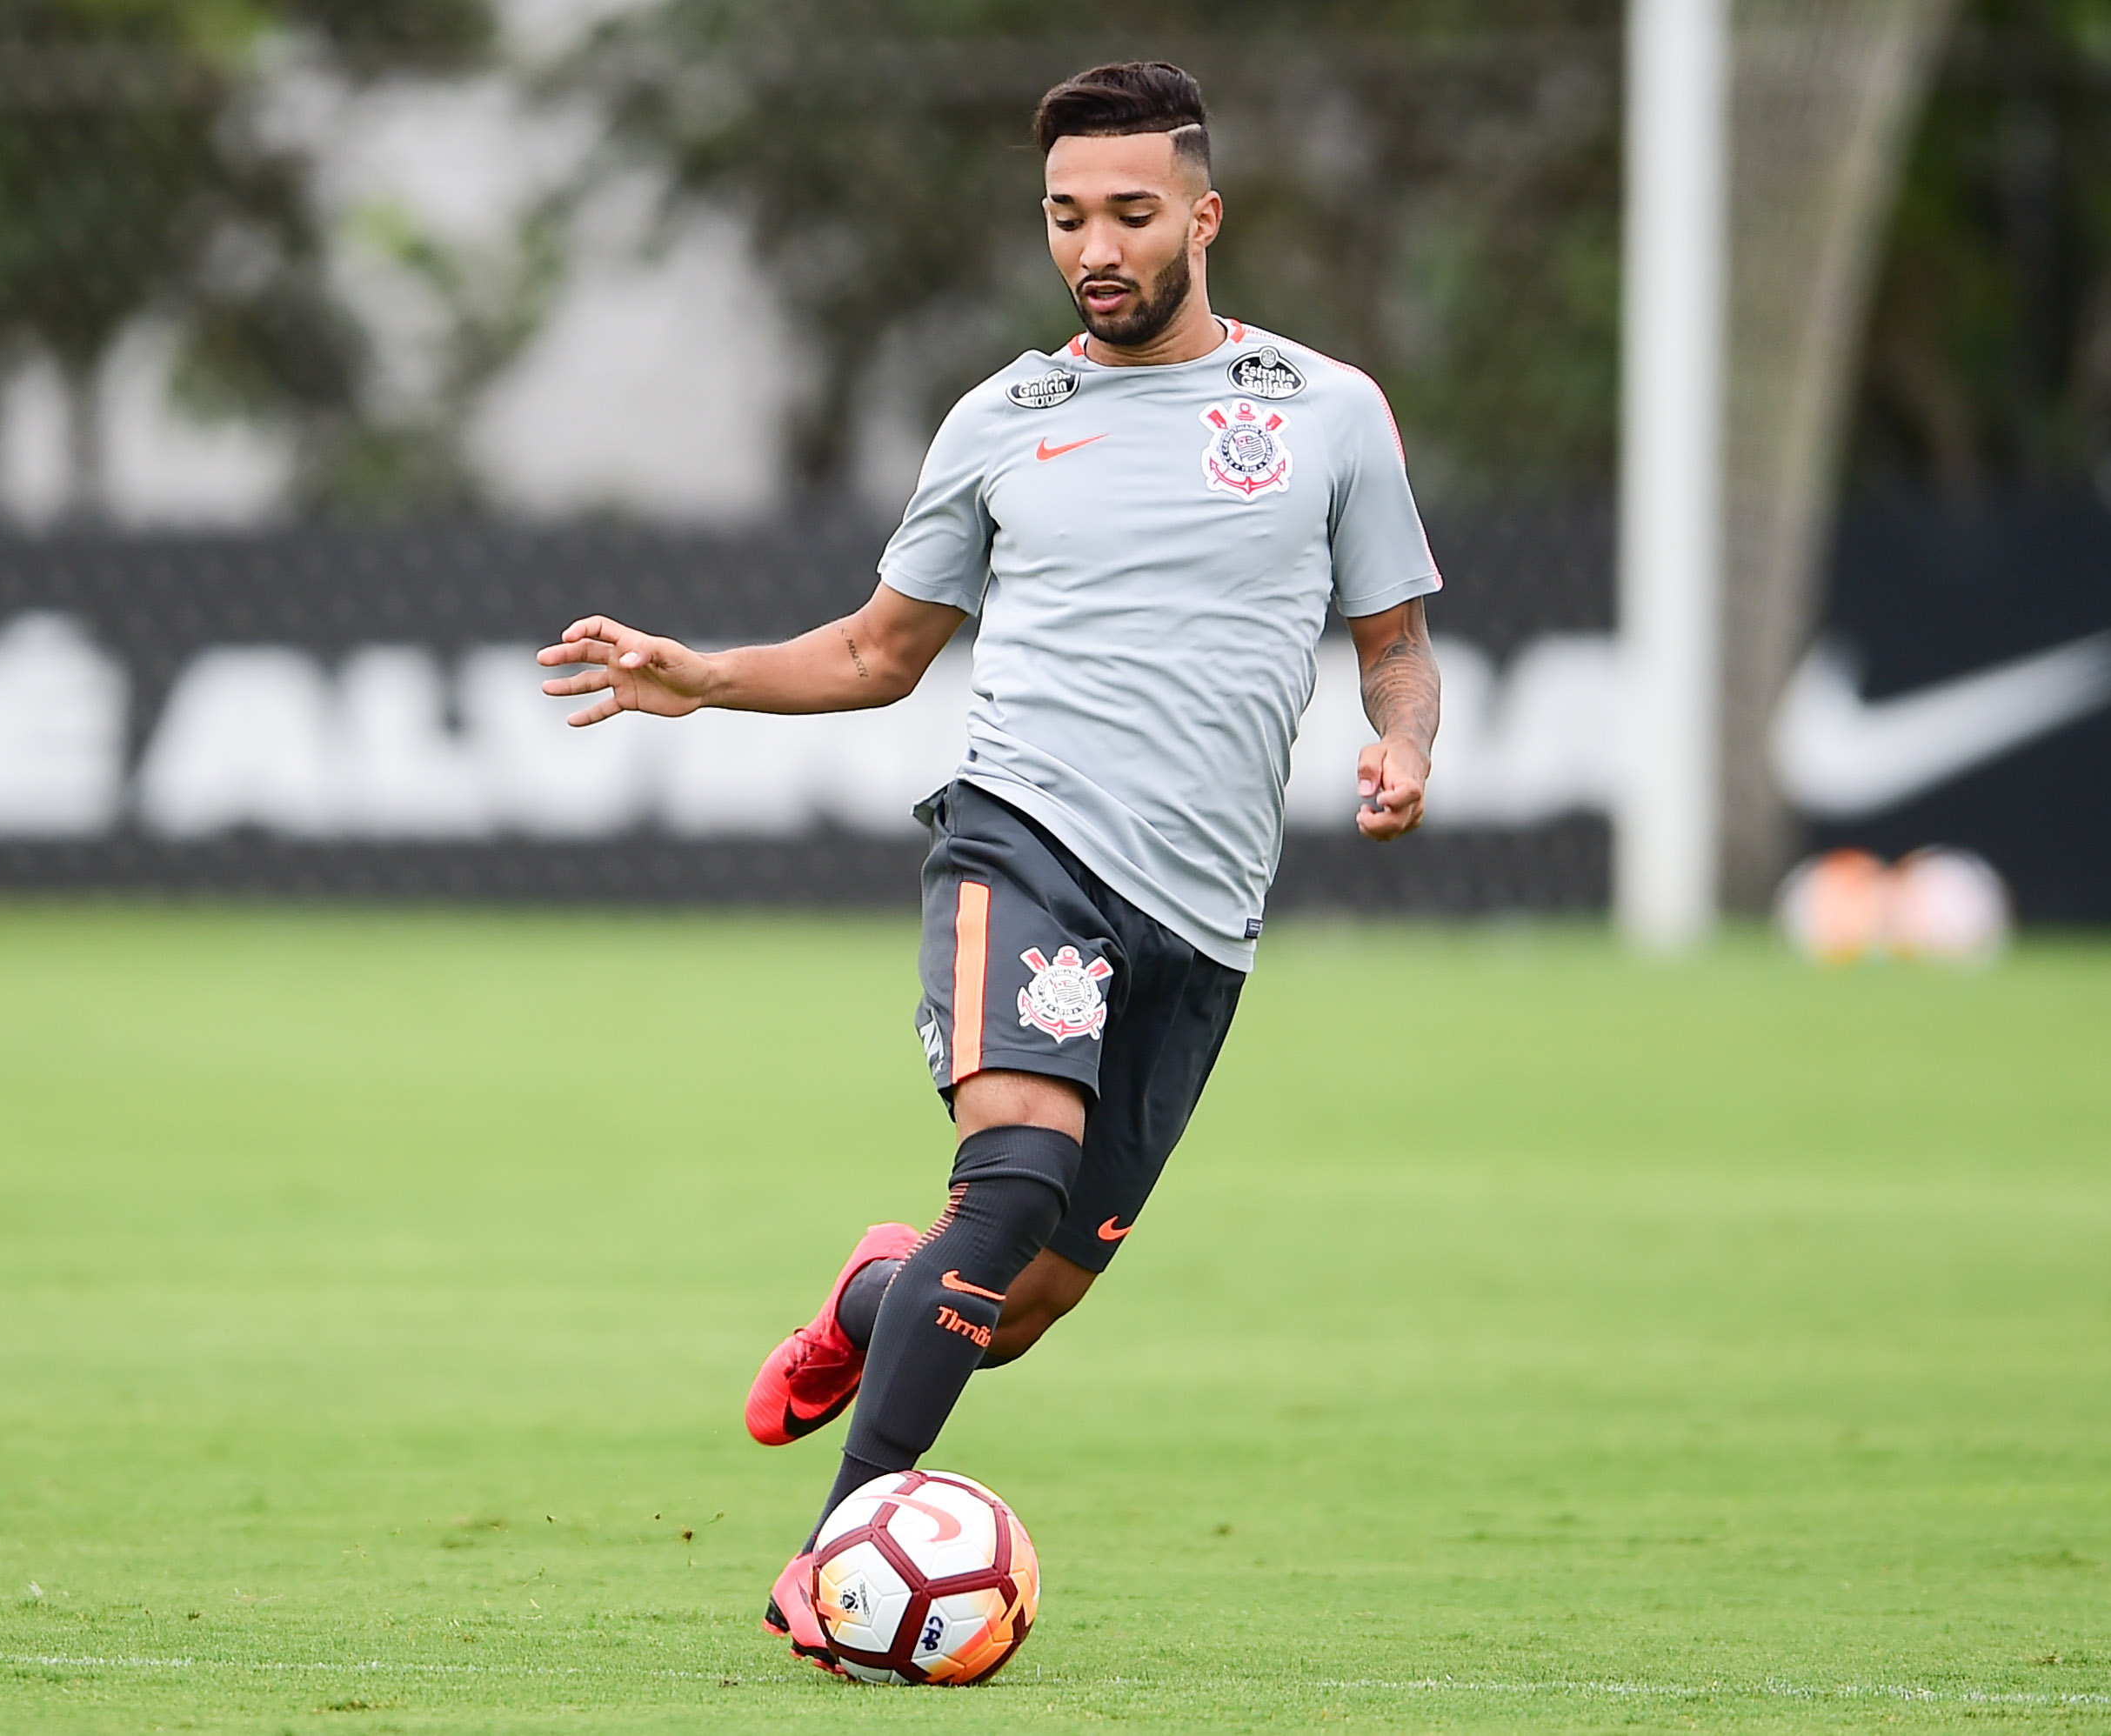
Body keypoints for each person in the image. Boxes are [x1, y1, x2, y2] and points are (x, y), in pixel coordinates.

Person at [535, 59, 1443, 1673]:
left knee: (1009, 1306)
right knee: (1010, 1179)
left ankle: (865, 1305)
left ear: (1205, 217)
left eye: (1132, 214)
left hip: (1206, 920)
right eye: (1066, 216)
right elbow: (886, 651)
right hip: (1020, 840)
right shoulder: (1000, 422)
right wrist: (708, 674)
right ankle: (839, 1541)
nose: (1096, 246)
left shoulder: (1330, 414)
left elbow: (1394, 647)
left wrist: (1405, 744)